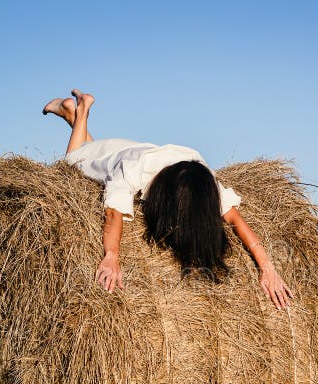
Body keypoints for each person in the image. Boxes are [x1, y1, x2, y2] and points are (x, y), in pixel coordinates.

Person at [43, 89, 293, 310]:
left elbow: (235, 218)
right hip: (123, 154)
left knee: (87, 149)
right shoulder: (132, 171)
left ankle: (72, 114)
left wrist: (267, 267)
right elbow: (113, 212)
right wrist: (111, 255)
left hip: (152, 151)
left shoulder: (201, 179)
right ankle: (80, 109)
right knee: (74, 160)